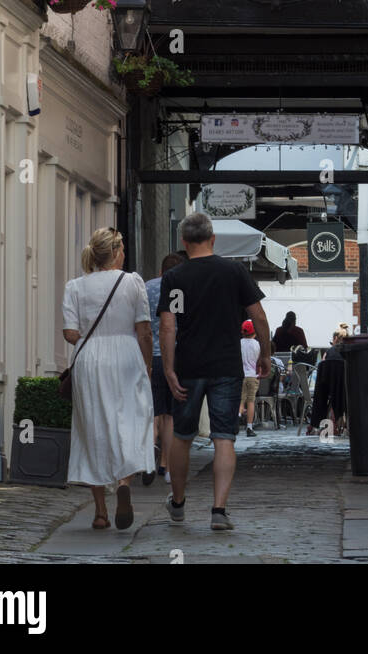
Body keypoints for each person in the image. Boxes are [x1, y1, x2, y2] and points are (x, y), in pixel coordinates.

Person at [158, 212, 271, 531]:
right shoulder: (233, 271)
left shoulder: (175, 278)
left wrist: (168, 368)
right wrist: (265, 352)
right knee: (224, 438)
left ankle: (178, 504)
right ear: (213, 239)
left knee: (182, 437)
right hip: (226, 365)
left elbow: (168, 326)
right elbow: (258, 316)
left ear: (184, 242)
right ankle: (219, 510)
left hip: (189, 366)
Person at [61, 227, 154, 531]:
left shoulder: (75, 287)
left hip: (90, 359)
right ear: (115, 253)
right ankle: (124, 481)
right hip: (127, 355)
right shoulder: (132, 282)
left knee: (93, 428)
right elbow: (144, 330)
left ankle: (100, 511)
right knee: (130, 420)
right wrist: (147, 365)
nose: (125, 253)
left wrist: (93, 336)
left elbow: (70, 333)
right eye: (123, 248)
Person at [143, 252, 184, 482]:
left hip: (150, 357)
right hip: (175, 357)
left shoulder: (146, 288)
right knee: (170, 415)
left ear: (161, 271)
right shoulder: (183, 291)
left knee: (150, 412)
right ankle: (166, 466)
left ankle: (149, 456)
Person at [239, 320, 261, 438]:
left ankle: (237, 417)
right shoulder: (256, 344)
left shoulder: (239, 343)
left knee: (240, 400)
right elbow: (259, 360)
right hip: (253, 375)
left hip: (241, 375)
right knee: (251, 401)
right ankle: (249, 427)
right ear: (255, 332)